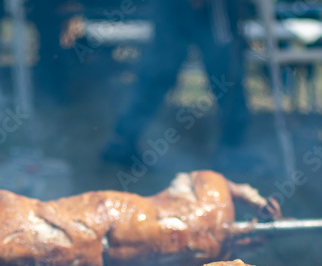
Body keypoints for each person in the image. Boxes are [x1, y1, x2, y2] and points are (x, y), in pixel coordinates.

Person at [101, 0, 252, 168]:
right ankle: (232, 148)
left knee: (162, 68)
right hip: (209, 8)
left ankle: (122, 140)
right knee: (222, 69)